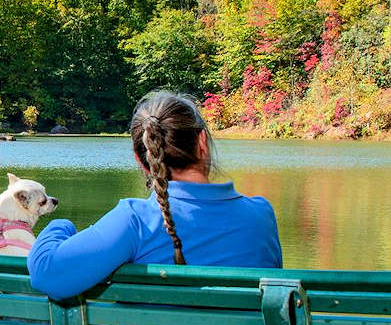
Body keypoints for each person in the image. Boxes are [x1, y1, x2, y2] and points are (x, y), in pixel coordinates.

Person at [27, 91, 282, 299]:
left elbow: (47, 275)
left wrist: (62, 225)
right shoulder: (261, 215)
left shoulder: (136, 220)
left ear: (141, 159)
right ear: (203, 143)